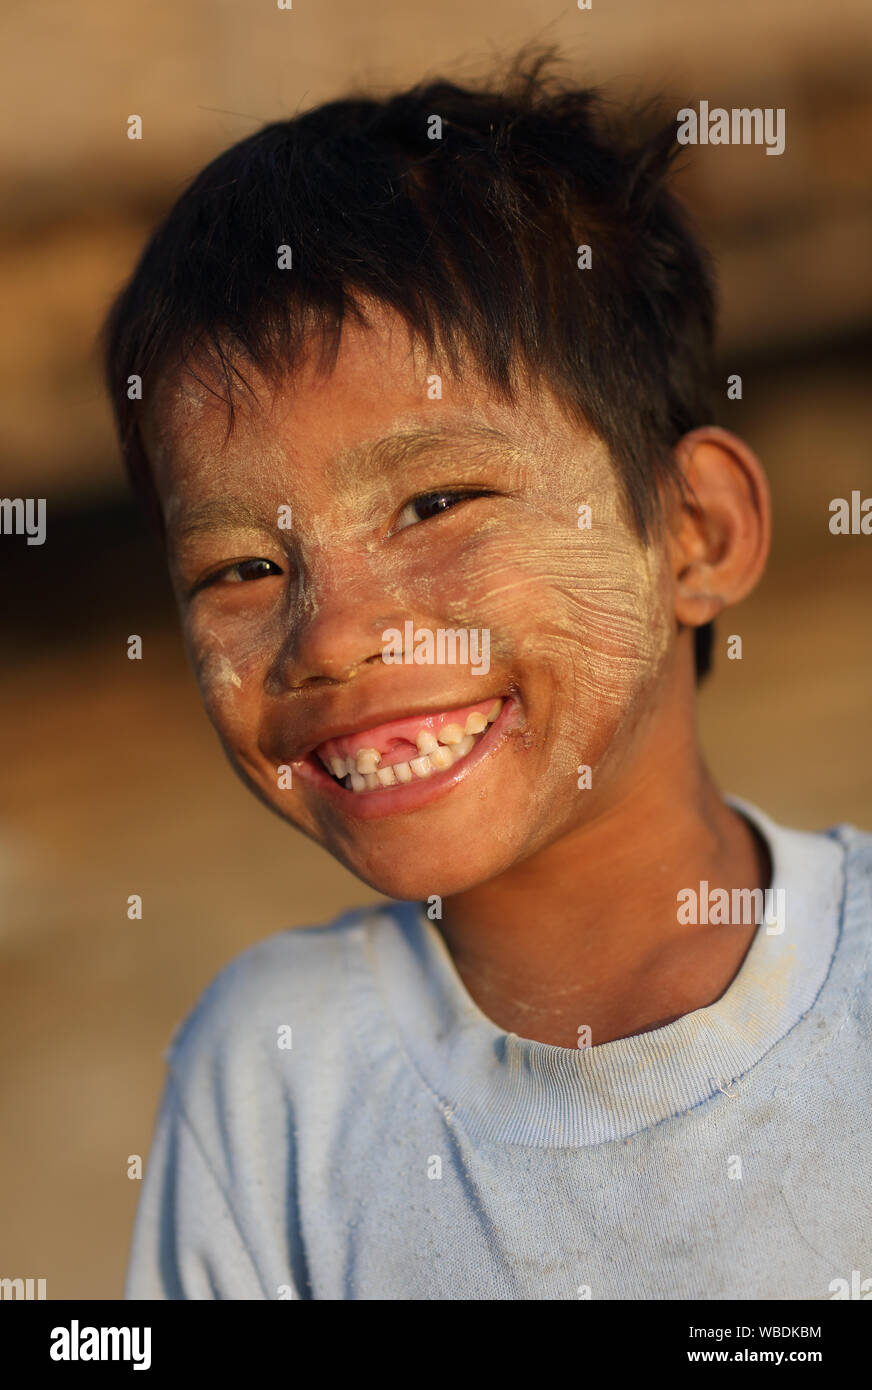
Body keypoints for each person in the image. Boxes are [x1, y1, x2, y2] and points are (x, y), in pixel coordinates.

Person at [102, 51, 872, 1300]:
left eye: (438, 502)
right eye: (240, 567)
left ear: (697, 533)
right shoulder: (269, 1077)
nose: (331, 635)